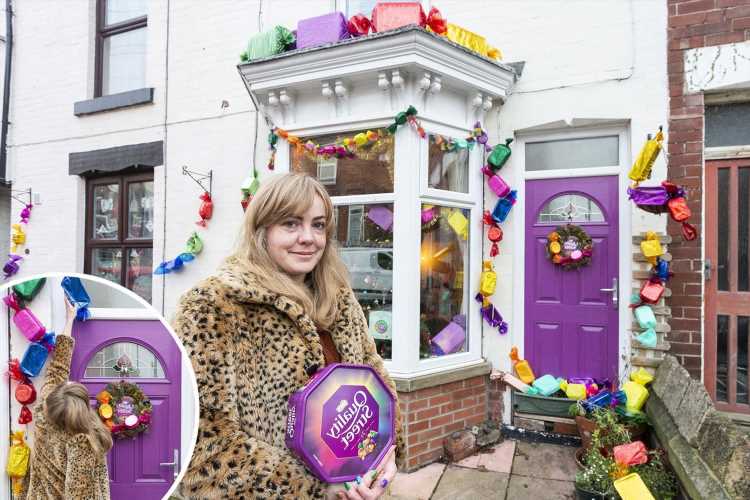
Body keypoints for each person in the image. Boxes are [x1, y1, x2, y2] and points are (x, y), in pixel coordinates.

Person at [174, 173, 403, 499]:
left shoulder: (337, 296)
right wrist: (321, 490)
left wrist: (385, 457)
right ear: (261, 230)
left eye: (319, 225)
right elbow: (206, 449)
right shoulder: (213, 307)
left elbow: (375, 381)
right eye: (291, 224)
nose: (309, 238)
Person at [24, 298, 112, 499]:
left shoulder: (43, 414)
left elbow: (58, 367)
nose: (66, 380)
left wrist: (70, 318)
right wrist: (70, 317)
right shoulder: (81, 441)